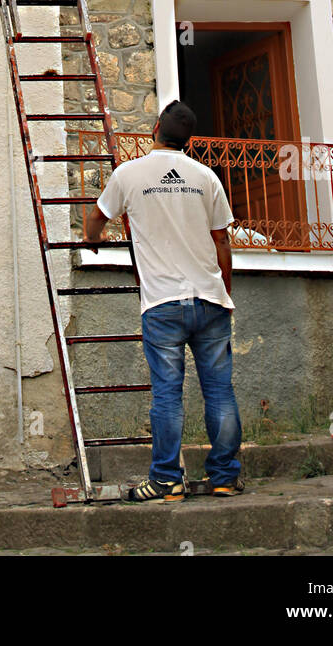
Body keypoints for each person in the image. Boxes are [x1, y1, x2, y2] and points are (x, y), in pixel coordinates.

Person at [85, 99, 244, 502]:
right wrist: (222, 288)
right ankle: (224, 478)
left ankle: (166, 480)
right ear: (188, 139)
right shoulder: (206, 177)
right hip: (209, 301)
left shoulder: (129, 174)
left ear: (155, 127)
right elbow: (221, 238)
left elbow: (95, 219)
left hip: (162, 305)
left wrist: (93, 241)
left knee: (168, 394)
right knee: (220, 392)